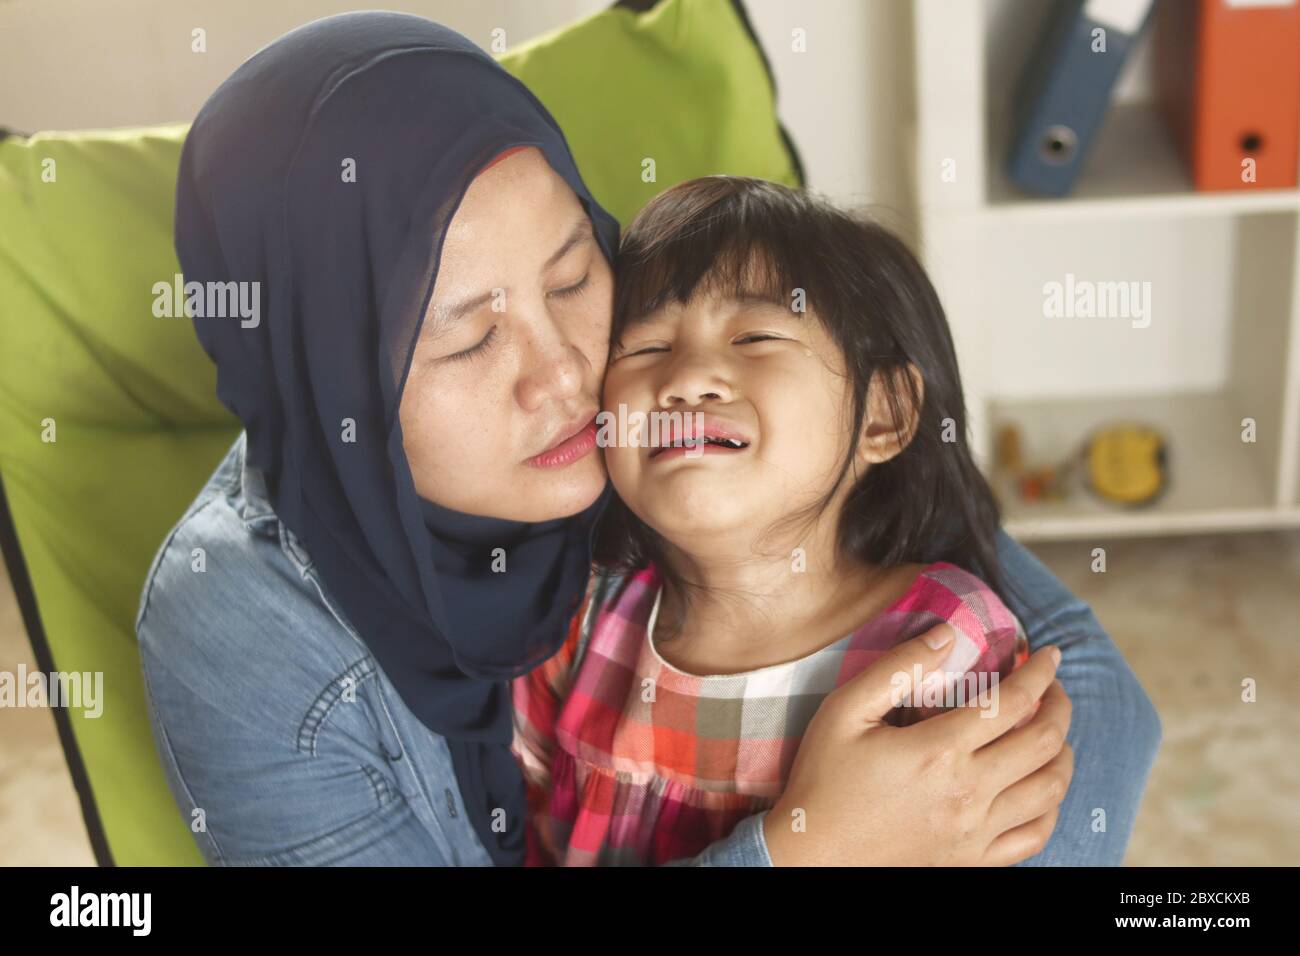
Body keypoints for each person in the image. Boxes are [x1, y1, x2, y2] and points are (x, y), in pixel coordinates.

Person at [135, 11, 1160, 866]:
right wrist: (807, 847)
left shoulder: (666, 404)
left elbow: (1094, 686)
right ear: (331, 383)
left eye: (576, 275)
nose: (569, 372)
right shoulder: (243, 635)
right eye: (469, 337)